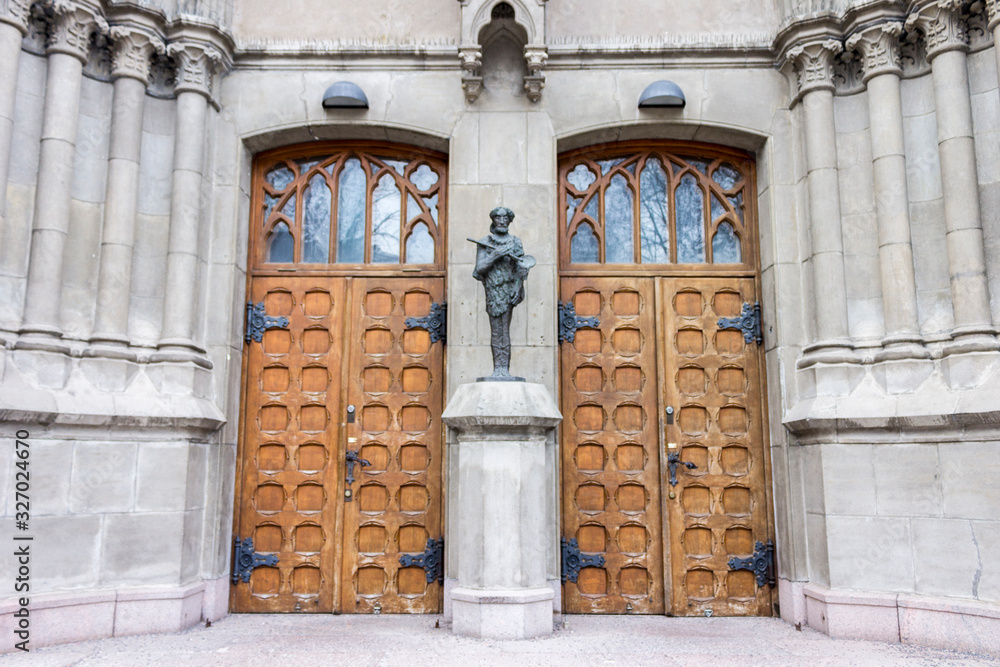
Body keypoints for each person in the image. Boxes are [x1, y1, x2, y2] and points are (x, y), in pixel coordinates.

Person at [472, 207, 533, 379]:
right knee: (495, 329)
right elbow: (479, 269)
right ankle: (497, 369)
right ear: (493, 220)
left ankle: (503, 369)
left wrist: (519, 286)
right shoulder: (485, 242)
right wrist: (495, 256)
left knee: (504, 329)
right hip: (493, 289)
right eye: (498, 218)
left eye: (505, 218)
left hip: (508, 288)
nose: (502, 221)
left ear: (509, 221)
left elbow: (522, 267)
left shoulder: (515, 242)